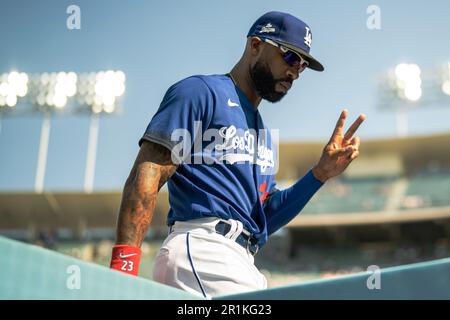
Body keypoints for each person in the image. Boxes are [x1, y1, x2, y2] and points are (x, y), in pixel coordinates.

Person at [109, 11, 365, 298]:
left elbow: (264, 216)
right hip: (204, 248)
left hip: (242, 260)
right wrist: (124, 269)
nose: (295, 72)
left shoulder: (264, 134)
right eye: (290, 57)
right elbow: (149, 172)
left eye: (303, 65)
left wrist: (319, 175)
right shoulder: (201, 93)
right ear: (256, 46)